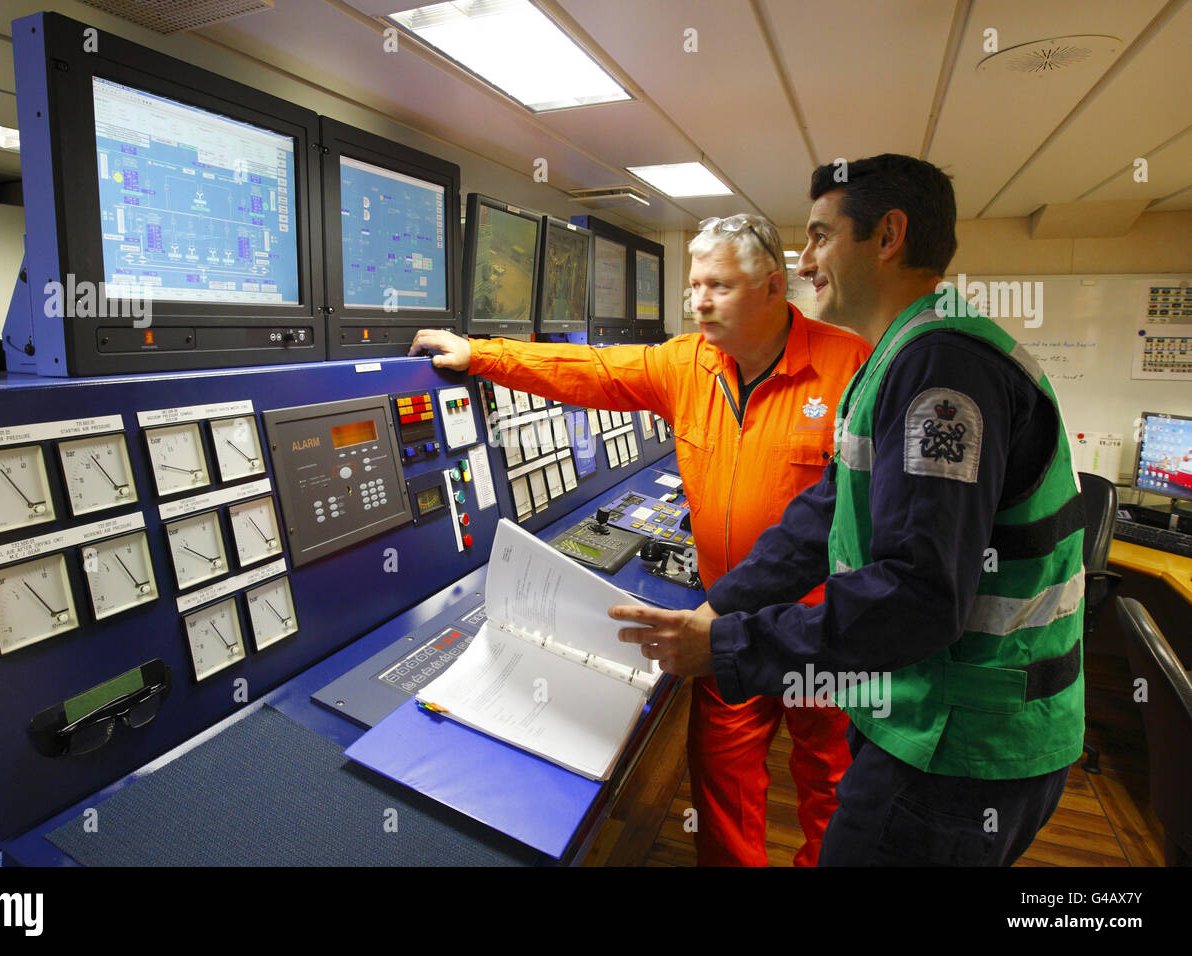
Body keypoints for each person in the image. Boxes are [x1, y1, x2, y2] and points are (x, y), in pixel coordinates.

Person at [612, 154, 1084, 866]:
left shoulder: (941, 370)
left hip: (964, 739)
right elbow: (825, 510)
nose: (803, 261)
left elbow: (920, 594)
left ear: (888, 236)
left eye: (820, 237)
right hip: (930, 717)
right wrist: (721, 609)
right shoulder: (899, 356)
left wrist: (731, 647)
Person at [410, 213, 871, 866]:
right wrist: (481, 355)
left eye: (721, 286)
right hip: (724, 623)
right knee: (724, 783)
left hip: (820, 628)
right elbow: (590, 370)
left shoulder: (850, 366)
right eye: (695, 286)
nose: (701, 302)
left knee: (831, 782)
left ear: (773, 287)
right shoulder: (686, 364)